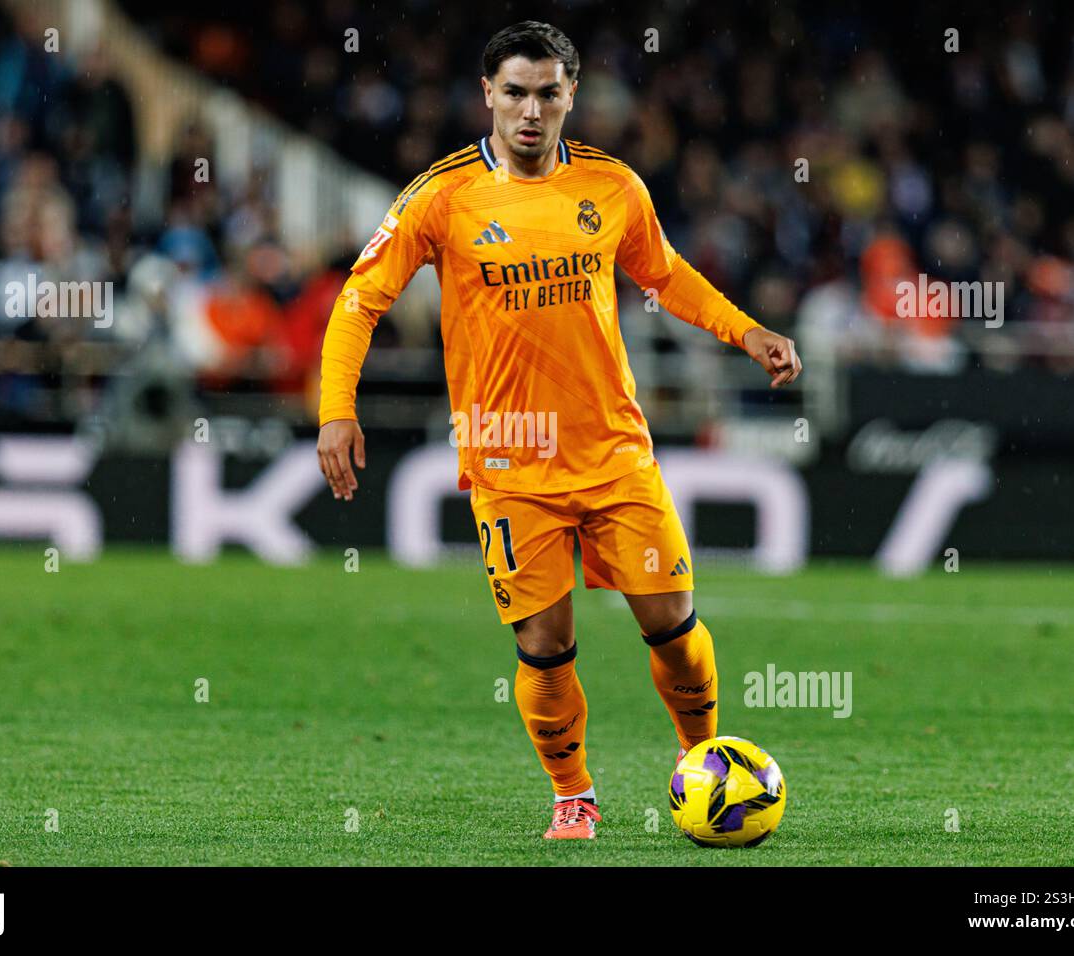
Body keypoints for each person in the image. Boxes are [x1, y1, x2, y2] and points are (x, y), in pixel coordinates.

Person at [316, 21, 801, 839]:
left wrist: (744, 331)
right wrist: (337, 409)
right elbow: (360, 299)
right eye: (514, 93)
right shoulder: (442, 195)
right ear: (487, 97)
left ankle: (705, 761)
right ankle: (573, 794)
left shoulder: (613, 187)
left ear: (571, 94)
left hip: (614, 452)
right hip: (509, 461)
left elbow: (666, 273)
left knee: (675, 630)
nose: (530, 111)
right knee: (545, 646)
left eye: (547, 92)